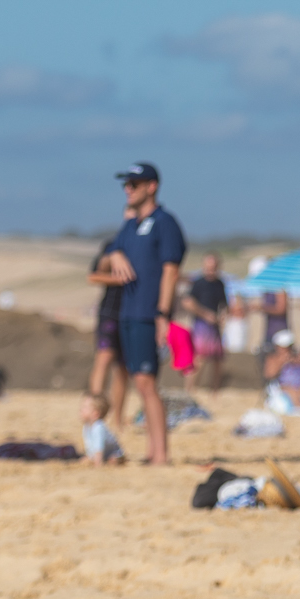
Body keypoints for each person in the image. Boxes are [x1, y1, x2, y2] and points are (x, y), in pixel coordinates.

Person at [105, 162, 184, 466]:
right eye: (125, 184)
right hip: (128, 312)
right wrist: (115, 253)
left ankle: (161, 454)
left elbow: (170, 271)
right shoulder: (131, 225)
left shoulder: (165, 223)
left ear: (151, 186)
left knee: (148, 383)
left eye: (133, 184)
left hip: (148, 313)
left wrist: (163, 313)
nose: (127, 189)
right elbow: (112, 248)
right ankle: (153, 451)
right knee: (139, 382)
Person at [86, 206, 137, 427]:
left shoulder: (143, 245)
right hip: (110, 311)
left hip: (132, 311)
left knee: (123, 369)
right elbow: (96, 274)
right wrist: (118, 269)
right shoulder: (112, 245)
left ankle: (118, 418)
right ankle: (93, 412)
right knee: (104, 360)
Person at [183, 254, 229, 391]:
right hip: (201, 325)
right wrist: (205, 314)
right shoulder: (198, 283)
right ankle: (190, 389)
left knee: (217, 359)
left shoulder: (220, 284)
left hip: (214, 326)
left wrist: (222, 315)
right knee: (199, 358)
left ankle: (215, 389)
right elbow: (187, 302)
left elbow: (224, 304)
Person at [80, 391, 123, 465]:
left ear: (95, 413)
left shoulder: (98, 427)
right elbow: (90, 446)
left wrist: (97, 463)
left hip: (113, 453)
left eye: (85, 407)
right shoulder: (86, 426)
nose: (81, 409)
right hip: (103, 453)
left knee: (113, 460)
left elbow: (99, 448)